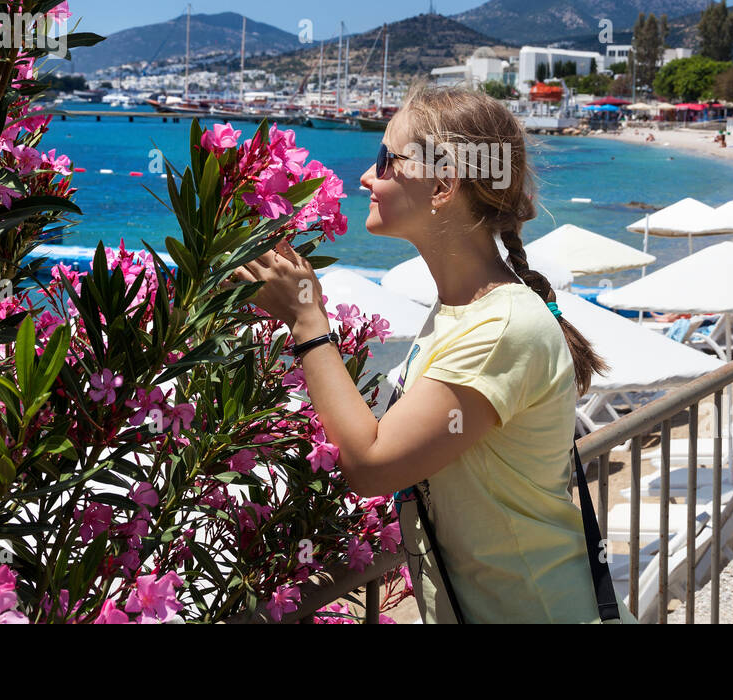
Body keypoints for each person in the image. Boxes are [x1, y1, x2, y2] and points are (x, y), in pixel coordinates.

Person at [227, 83, 635, 624]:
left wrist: (308, 320)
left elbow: (372, 467)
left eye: (385, 160)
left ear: (443, 184)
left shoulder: (502, 327)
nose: (367, 177)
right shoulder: (463, 311)